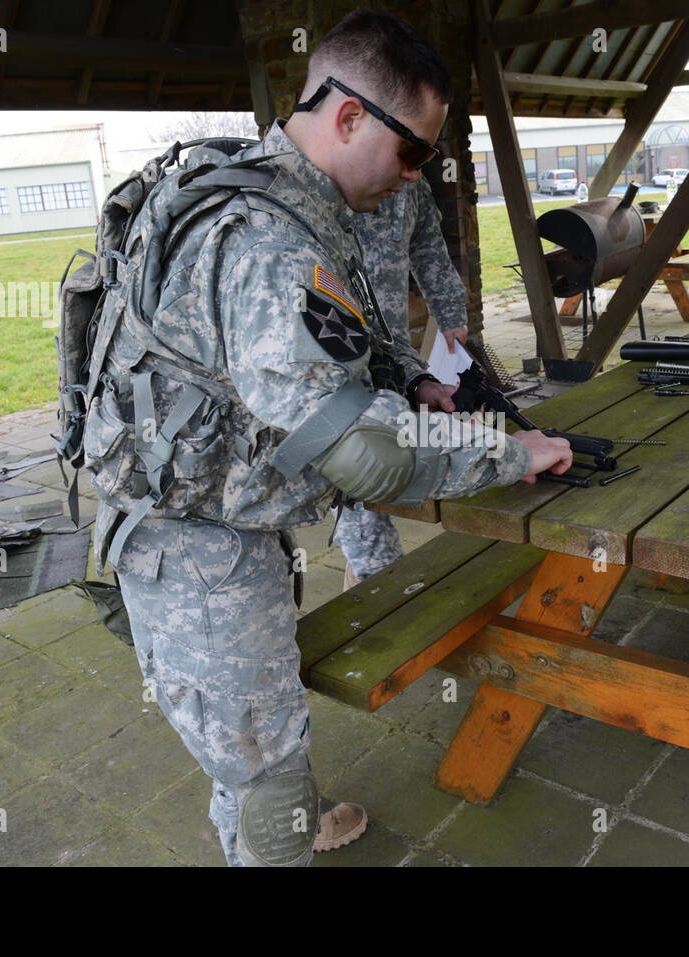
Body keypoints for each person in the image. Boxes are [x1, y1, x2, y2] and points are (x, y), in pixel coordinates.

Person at [90, 10, 572, 868]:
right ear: (349, 115)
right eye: (412, 152)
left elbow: (325, 351)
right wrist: (512, 452)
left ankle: (251, 814)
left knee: (246, 745)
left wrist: (410, 381)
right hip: (198, 550)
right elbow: (363, 455)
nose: (414, 176)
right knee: (266, 770)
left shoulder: (277, 197)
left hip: (210, 525)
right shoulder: (269, 239)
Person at [336, 174, 470, 588]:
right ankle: (384, 590)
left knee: (383, 466)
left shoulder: (411, 184)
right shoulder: (319, 182)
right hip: (338, 358)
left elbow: (428, 244)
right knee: (358, 473)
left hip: (391, 354)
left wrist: (450, 312)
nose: (410, 166)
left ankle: (373, 584)